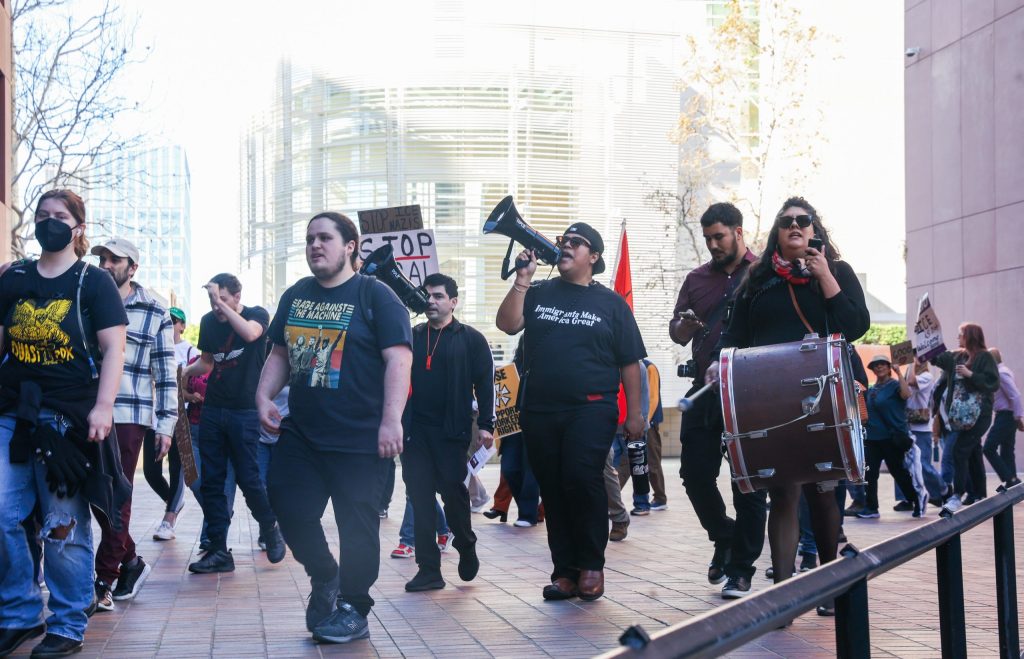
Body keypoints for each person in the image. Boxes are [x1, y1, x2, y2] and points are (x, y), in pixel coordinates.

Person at [707, 197, 870, 616]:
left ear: (815, 230)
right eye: (787, 222)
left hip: (823, 395)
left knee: (823, 491)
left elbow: (855, 326)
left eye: (804, 221)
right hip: (771, 399)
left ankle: (828, 584)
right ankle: (783, 598)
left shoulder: (839, 271)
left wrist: (826, 279)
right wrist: (717, 367)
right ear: (777, 233)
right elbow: (734, 335)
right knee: (782, 492)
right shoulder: (757, 281)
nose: (796, 226)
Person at [257, 211, 412, 643]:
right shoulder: (296, 294)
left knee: (356, 526)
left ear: (351, 247)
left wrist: (390, 421)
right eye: (309, 239)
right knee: (285, 505)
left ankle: (353, 607)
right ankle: (325, 574)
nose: (315, 245)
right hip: (303, 432)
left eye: (325, 238)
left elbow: (399, 359)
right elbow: (280, 356)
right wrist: (263, 397)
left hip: (360, 438)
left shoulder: (376, 296)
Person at [0, 189, 128, 657]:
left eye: (59, 216)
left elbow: (115, 348)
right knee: (1, 511)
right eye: (41, 216)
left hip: (67, 420)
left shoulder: (91, 282)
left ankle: (69, 622)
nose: (48, 223)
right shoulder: (11, 277)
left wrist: (104, 406)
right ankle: (16, 613)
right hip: (13, 413)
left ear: (78, 227)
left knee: (61, 525)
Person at [496, 221, 646, 602]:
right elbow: (508, 324)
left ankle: (591, 564)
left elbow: (631, 363)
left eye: (576, 243)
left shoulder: (611, 304)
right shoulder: (539, 290)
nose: (566, 246)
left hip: (591, 408)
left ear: (593, 257)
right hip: (540, 409)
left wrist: (636, 414)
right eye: (563, 241)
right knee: (554, 488)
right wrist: (522, 279)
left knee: (581, 477)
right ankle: (565, 571)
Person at [670, 202, 767, 599]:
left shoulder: (764, 274)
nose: (712, 244)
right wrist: (685, 325)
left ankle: (741, 569)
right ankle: (723, 535)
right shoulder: (696, 279)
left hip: (752, 389)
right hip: (704, 389)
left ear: (738, 232)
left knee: (748, 483)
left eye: (719, 236)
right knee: (693, 474)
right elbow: (677, 334)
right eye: (707, 237)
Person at [89, 238, 177, 610]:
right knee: (94, 496)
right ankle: (132, 561)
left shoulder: (155, 309)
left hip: (129, 415)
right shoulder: (86, 299)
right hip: (87, 410)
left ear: (133, 267)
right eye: (102, 258)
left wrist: (167, 424)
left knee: (116, 497)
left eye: (114, 259)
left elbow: (166, 372)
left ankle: (103, 580)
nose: (106, 264)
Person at [181, 273, 286, 573]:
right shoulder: (208, 321)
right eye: (214, 300)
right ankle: (218, 550)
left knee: (249, 478)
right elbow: (208, 361)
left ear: (237, 296)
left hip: (245, 411)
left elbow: (252, 335)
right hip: (214, 409)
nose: (216, 307)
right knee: (212, 481)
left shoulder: (256, 315)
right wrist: (185, 372)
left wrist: (222, 306)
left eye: (223, 299)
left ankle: (270, 528)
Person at [401, 273, 494, 591]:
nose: (431, 301)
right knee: (420, 498)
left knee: (453, 495)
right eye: (427, 296)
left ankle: (466, 544)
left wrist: (486, 425)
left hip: (452, 432)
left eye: (438, 296)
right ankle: (429, 569)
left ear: (453, 302)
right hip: (414, 432)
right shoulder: (411, 335)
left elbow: (484, 384)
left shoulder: (470, 339)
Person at [933, 323, 1000, 513]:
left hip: (980, 415)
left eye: (960, 334)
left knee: (959, 451)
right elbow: (938, 358)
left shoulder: (985, 357)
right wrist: (926, 341)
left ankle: (957, 495)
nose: (958, 338)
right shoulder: (958, 356)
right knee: (973, 452)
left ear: (969, 336)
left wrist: (970, 374)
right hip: (961, 416)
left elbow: (993, 383)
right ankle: (979, 493)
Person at [858, 355, 922, 519]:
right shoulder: (872, 389)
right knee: (870, 474)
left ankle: (916, 499)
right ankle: (871, 508)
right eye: (875, 365)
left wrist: (899, 373)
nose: (879, 367)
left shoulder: (894, 385)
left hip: (891, 437)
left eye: (882, 364)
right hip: (872, 438)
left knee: (898, 472)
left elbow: (907, 394)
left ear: (888, 367)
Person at [985, 348, 1022, 492]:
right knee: (1007, 450)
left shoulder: (1001, 373)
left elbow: (1015, 395)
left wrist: (1018, 417)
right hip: (1007, 415)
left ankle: (1011, 479)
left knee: (988, 447)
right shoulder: (1002, 371)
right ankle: (1013, 483)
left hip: (1006, 415)